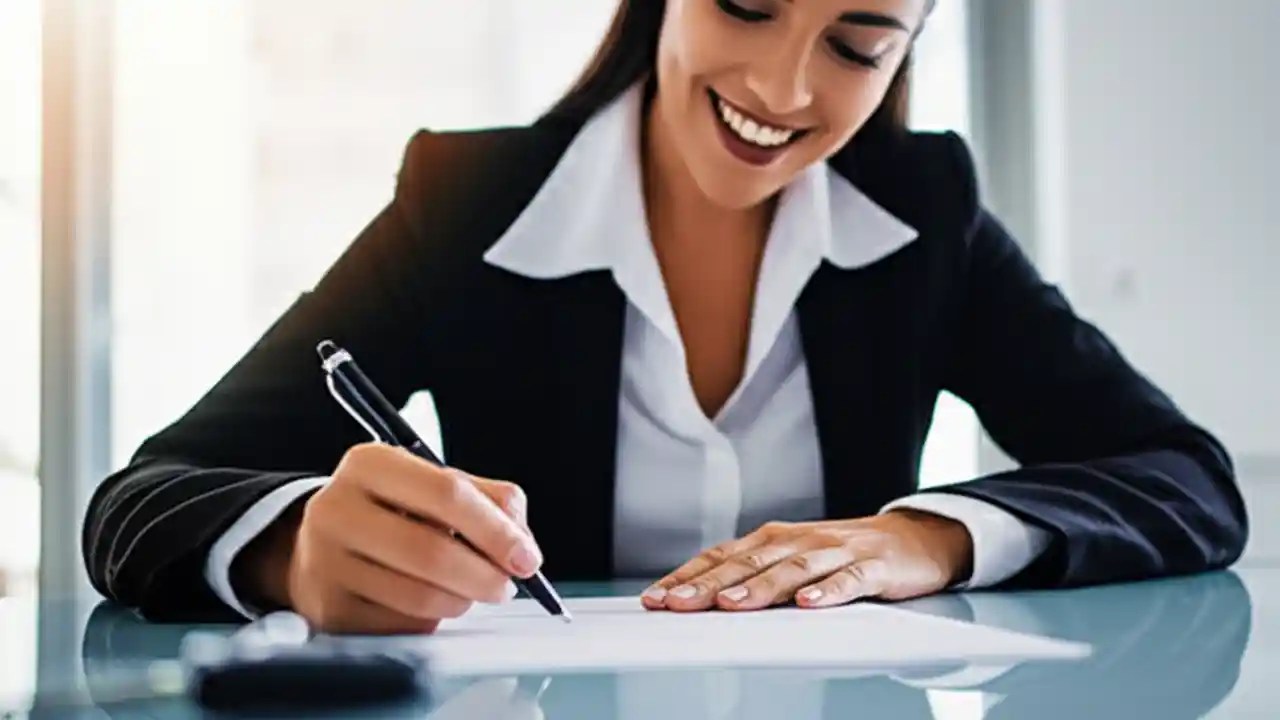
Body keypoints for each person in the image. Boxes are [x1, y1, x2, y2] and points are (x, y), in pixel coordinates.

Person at [82, 0, 1247, 633]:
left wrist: (920, 538)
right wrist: (293, 553)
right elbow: (141, 500)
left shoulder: (922, 213)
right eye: (746, 5)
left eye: (855, 45)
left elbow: (1183, 477)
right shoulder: (467, 205)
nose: (784, 90)